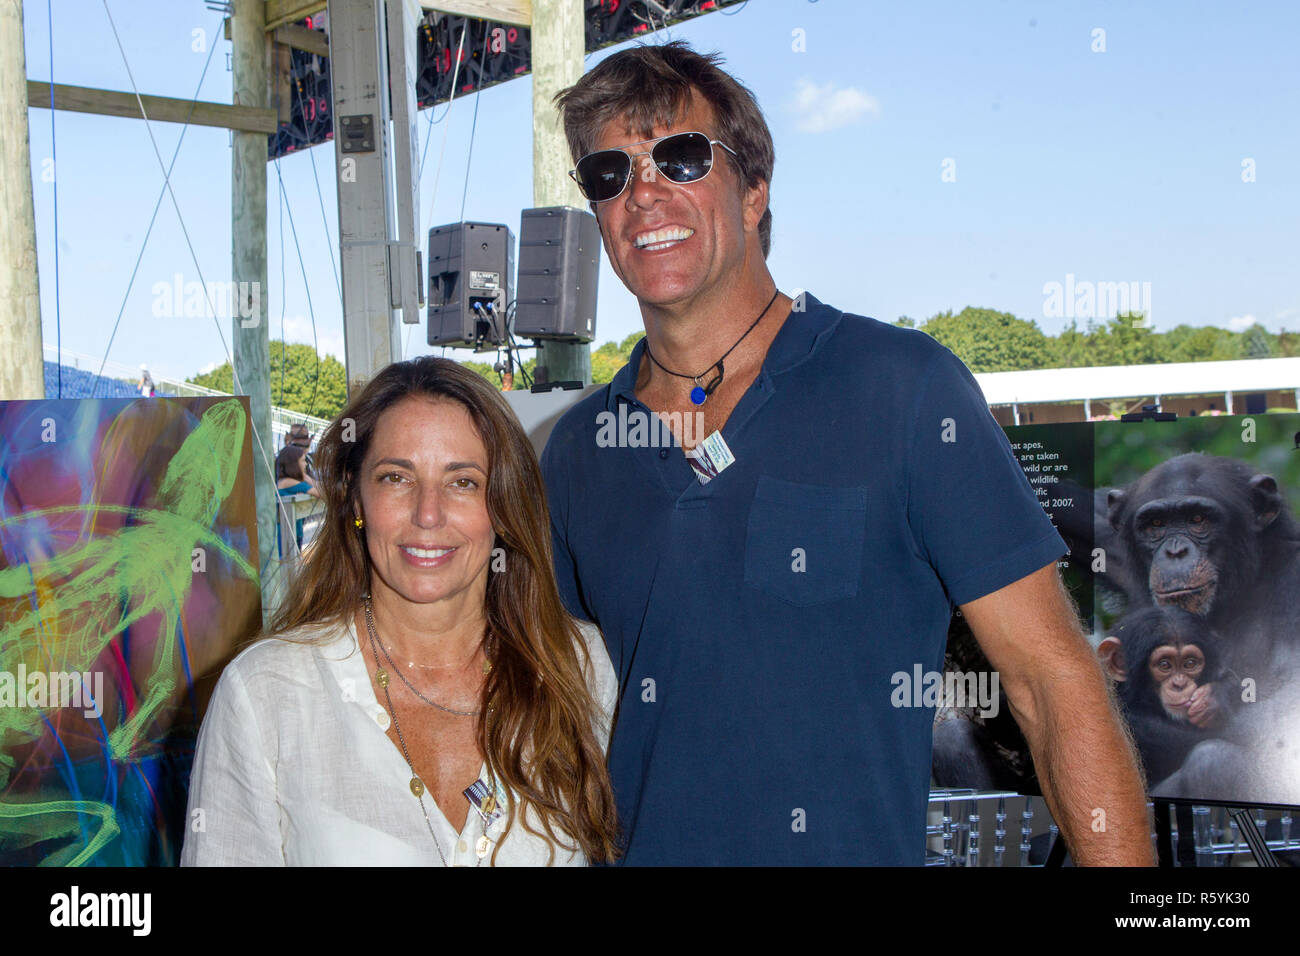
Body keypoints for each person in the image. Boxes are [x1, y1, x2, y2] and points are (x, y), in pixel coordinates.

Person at [541, 40, 1152, 865]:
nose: (643, 193)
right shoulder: (580, 449)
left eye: (679, 158)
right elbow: (548, 700)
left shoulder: (904, 389)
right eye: (609, 174)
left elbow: (1052, 679)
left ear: (754, 191)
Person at [182, 357, 620, 865]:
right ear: (355, 500)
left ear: (502, 504)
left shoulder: (578, 666)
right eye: (396, 477)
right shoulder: (266, 693)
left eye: (463, 482)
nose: (427, 514)